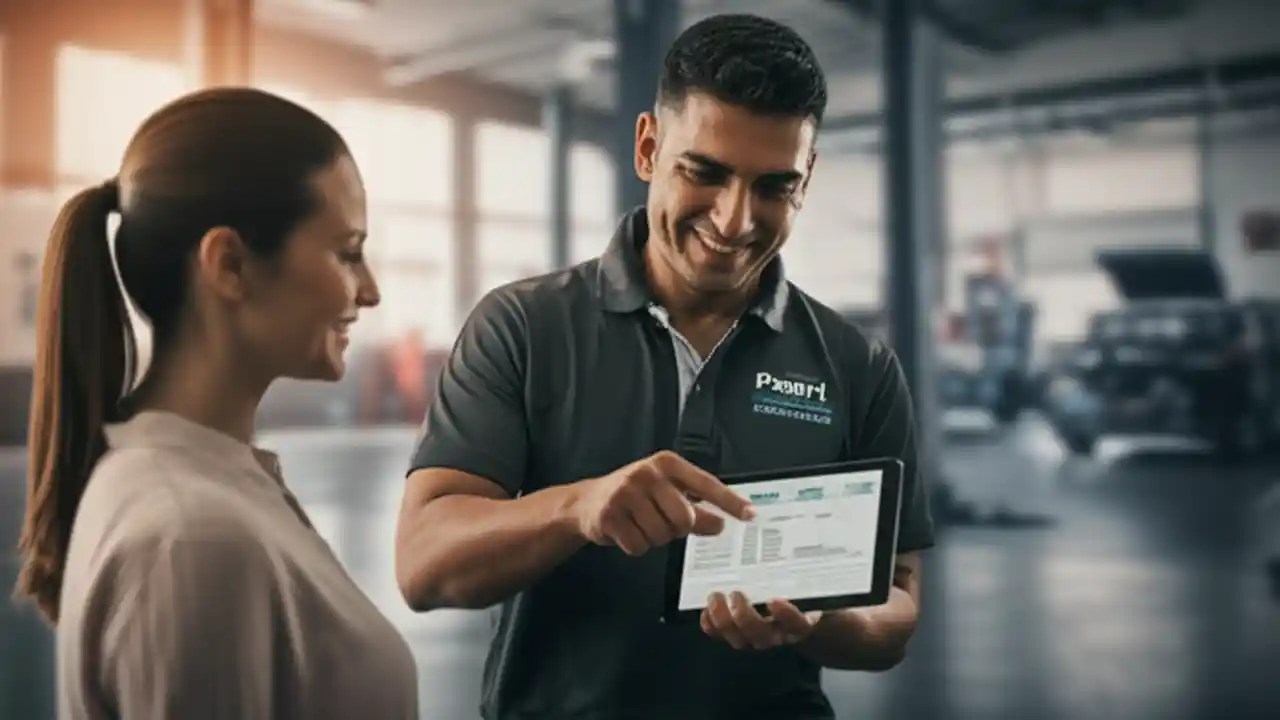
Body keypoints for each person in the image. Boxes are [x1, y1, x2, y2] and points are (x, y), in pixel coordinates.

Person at [396, 13, 934, 720]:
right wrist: (576, 507)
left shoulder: (858, 365)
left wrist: (819, 621)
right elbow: (424, 565)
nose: (736, 220)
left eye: (775, 187)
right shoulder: (523, 327)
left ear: (807, 178)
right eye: (704, 173)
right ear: (649, 147)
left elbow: (896, 605)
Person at [13, 87, 419, 719]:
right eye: (346, 252)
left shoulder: (185, 486)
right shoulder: (191, 540)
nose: (369, 291)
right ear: (229, 264)